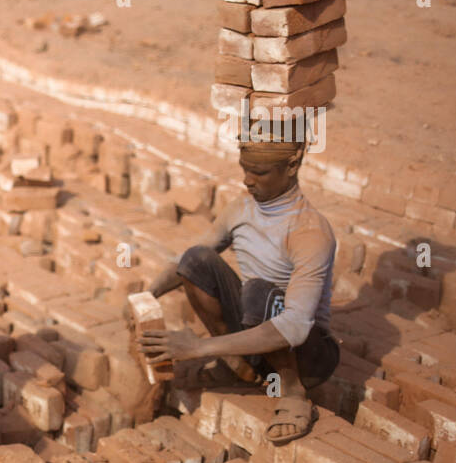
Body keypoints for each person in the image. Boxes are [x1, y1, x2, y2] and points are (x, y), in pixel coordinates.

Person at [137, 134, 338, 447]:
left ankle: (292, 391)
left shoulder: (310, 231)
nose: (247, 180)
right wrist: (147, 296)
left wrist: (198, 348)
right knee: (195, 259)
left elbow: (296, 326)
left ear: (292, 165)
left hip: (308, 356)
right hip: (255, 328)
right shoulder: (240, 209)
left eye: (259, 172)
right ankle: (241, 366)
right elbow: (187, 261)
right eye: (244, 169)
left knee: (256, 292)